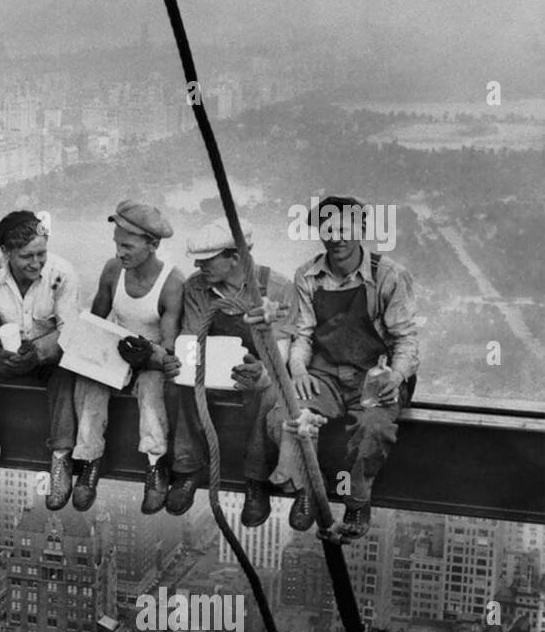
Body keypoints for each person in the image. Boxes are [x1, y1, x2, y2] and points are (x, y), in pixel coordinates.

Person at [266, 195, 419, 538]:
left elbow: (406, 339)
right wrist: (299, 371)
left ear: (362, 229)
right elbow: (302, 335)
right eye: (327, 229)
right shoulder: (307, 275)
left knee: (373, 430)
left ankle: (357, 501)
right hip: (326, 374)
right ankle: (306, 489)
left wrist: (396, 375)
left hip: (375, 376)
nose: (336, 237)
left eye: (344, 228)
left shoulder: (389, 276)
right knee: (285, 416)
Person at [164, 221, 295, 526]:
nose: (197, 265)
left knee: (268, 391)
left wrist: (262, 371)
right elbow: (192, 336)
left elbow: (281, 347)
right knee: (179, 384)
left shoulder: (277, 287)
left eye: (206, 260)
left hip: (256, 372)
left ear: (235, 257)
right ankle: (188, 467)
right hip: (212, 368)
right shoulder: (197, 287)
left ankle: (255, 479)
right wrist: (181, 363)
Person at [0, 210, 79, 502]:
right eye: (26, 256)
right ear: (6, 252)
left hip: (49, 352)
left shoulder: (62, 273)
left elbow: (69, 330)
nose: (36, 263)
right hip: (8, 350)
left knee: (68, 371)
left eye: (41, 254)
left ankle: (61, 455)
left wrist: (38, 352)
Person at [71, 200, 185, 513]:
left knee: (150, 391)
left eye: (127, 246)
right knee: (90, 382)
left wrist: (149, 355)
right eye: (117, 244)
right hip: (116, 349)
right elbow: (96, 320)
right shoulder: (112, 270)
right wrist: (90, 353)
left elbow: (170, 345)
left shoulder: (172, 284)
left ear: (153, 244)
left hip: (149, 358)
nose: (120, 253)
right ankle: (89, 459)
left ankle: (155, 464)